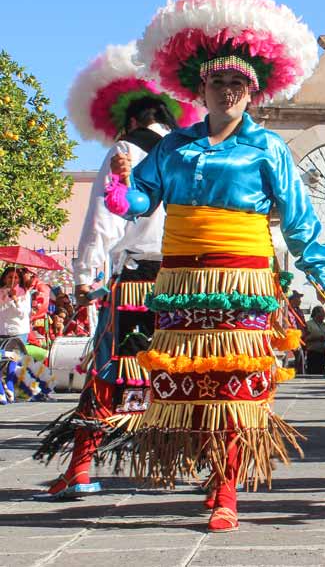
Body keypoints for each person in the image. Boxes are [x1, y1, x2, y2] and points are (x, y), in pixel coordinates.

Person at [106, 0, 325, 532]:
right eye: (217, 82)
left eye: (237, 83)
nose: (227, 91)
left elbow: (299, 218)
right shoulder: (174, 146)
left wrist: (324, 276)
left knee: (233, 376)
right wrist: (119, 177)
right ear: (201, 89)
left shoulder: (269, 147)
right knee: (191, 380)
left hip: (243, 276)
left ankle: (227, 487)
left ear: (252, 92)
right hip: (181, 278)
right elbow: (141, 200)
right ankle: (210, 471)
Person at [33, 42, 200, 501]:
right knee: (186, 369)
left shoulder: (125, 150)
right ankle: (193, 463)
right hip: (185, 281)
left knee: (110, 374)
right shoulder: (187, 152)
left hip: (137, 282)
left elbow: (103, 221)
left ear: (129, 120)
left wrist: (86, 277)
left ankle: (82, 469)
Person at [0, 266, 30, 345]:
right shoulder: (1, 291)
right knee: (3, 356)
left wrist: (15, 298)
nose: (12, 280)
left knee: (16, 356)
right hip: (2, 332)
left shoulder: (24, 293)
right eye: (10, 277)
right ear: (4, 279)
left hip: (18, 332)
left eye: (15, 277)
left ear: (19, 279)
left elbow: (23, 313)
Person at [303, 306, 325, 376]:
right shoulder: (308, 324)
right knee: (314, 373)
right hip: (313, 353)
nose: (324, 316)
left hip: (324, 353)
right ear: (317, 314)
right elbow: (304, 339)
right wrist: (316, 338)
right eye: (323, 314)